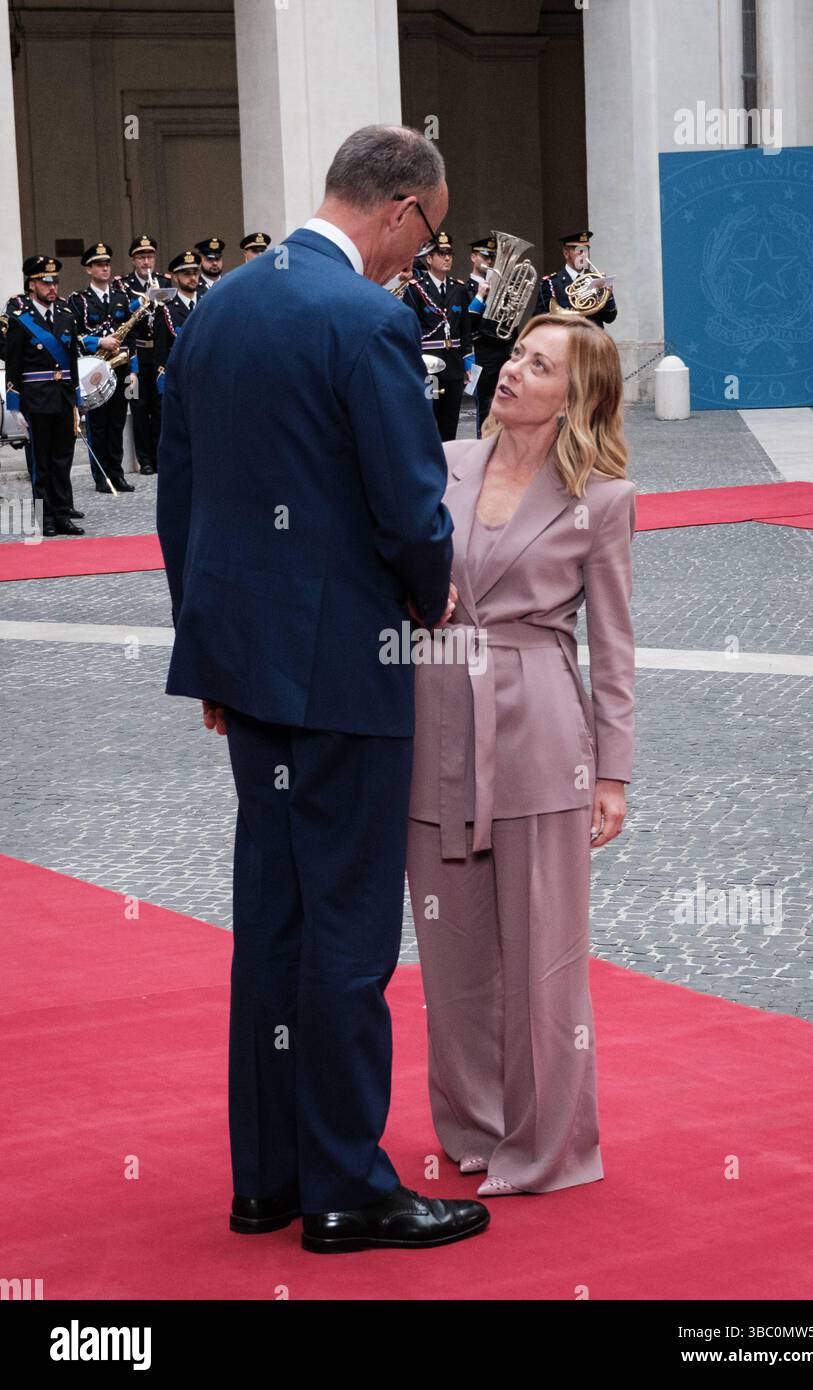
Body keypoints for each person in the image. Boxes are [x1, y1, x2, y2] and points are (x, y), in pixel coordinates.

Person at [156, 123, 490, 1253]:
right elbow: (409, 502)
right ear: (400, 209)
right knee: (347, 931)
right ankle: (345, 1188)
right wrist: (434, 592)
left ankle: (268, 1181)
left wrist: (208, 646)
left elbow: (182, 496)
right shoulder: (366, 317)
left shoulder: (218, 306)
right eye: (427, 235)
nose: (420, 256)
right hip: (347, 664)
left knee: (274, 921)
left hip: (249, 663)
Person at [405, 313, 637, 1196]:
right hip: (434, 718)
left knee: (545, 957)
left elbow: (613, 643)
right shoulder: (443, 462)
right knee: (452, 948)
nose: (512, 371)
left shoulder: (602, 499)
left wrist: (611, 771)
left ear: (576, 397)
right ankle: (475, 1127)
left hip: (541, 734)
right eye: (516, 355)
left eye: (540, 366)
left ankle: (549, 1147)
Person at [3, 255, 85, 536]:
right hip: (36, 399)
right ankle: (45, 517)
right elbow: (13, 365)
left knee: (62, 460)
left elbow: (72, 362)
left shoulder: (66, 315)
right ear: (32, 284)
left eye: (55, 282)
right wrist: (15, 406)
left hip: (63, 398)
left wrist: (77, 400)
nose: (52, 287)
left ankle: (62, 514)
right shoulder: (21, 320)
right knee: (42, 462)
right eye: (45, 282)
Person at [68, 242, 137, 494]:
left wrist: (133, 370)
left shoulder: (121, 298)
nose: (105, 268)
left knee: (117, 423)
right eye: (99, 265)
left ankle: (117, 473)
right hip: (94, 369)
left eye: (107, 264)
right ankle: (101, 476)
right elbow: (74, 336)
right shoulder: (78, 300)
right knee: (98, 425)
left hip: (119, 369)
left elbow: (132, 337)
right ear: (88, 269)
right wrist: (99, 342)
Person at [402, 231, 474, 441]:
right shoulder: (417, 289)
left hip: (453, 364)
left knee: (450, 419)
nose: (447, 258)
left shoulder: (458, 289)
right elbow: (411, 327)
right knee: (428, 416)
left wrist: (468, 362)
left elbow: (465, 329)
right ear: (429, 258)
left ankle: (448, 457)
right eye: (441, 254)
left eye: (449, 254)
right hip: (428, 364)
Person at [123, 235, 172, 475]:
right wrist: (143, 298)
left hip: (158, 354)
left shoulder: (164, 282)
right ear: (133, 260)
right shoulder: (124, 285)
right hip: (136, 354)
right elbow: (123, 317)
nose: (146, 262)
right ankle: (144, 459)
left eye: (150, 257)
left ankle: (159, 455)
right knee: (138, 406)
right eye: (141, 257)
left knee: (160, 405)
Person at [465, 233, 519, 435]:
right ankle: (483, 446)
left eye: (492, 257)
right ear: (473, 257)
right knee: (485, 407)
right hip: (482, 353)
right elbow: (466, 324)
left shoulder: (503, 288)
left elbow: (510, 323)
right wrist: (480, 296)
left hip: (503, 351)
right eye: (485, 256)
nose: (489, 261)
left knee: (508, 404)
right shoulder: (464, 288)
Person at [536, 229, 618, 329]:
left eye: (586, 250)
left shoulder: (596, 280)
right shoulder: (551, 283)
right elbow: (540, 320)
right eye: (579, 250)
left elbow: (610, 318)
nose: (584, 255)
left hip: (592, 337)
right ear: (566, 253)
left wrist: (608, 296)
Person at [153, 251, 200, 409]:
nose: (192, 278)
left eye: (195, 273)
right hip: (180, 378)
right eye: (186, 274)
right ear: (175, 277)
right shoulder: (167, 309)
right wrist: (162, 383)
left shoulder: (206, 303)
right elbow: (161, 351)